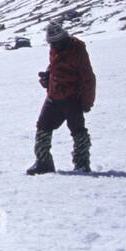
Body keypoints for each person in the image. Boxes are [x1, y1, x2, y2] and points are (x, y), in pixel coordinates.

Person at [26, 22, 96, 175]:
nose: (53, 46)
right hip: (54, 96)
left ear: (63, 38)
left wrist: (87, 101)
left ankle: (82, 163)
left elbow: (88, 77)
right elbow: (54, 67)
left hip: (72, 97)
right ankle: (43, 163)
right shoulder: (55, 48)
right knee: (43, 127)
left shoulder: (77, 49)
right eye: (51, 43)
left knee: (78, 131)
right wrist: (47, 78)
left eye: (56, 42)